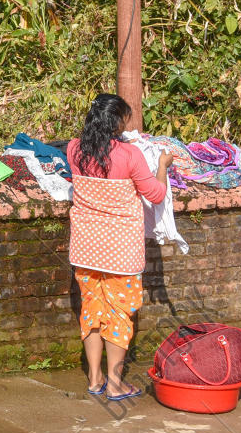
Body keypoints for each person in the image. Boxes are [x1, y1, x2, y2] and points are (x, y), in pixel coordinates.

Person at [66, 93, 175, 401]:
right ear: (116, 123)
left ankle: (94, 378)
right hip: (120, 252)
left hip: (86, 248)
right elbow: (155, 194)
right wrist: (163, 165)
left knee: (91, 310)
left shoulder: (75, 149)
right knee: (119, 313)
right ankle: (115, 383)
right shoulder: (129, 155)